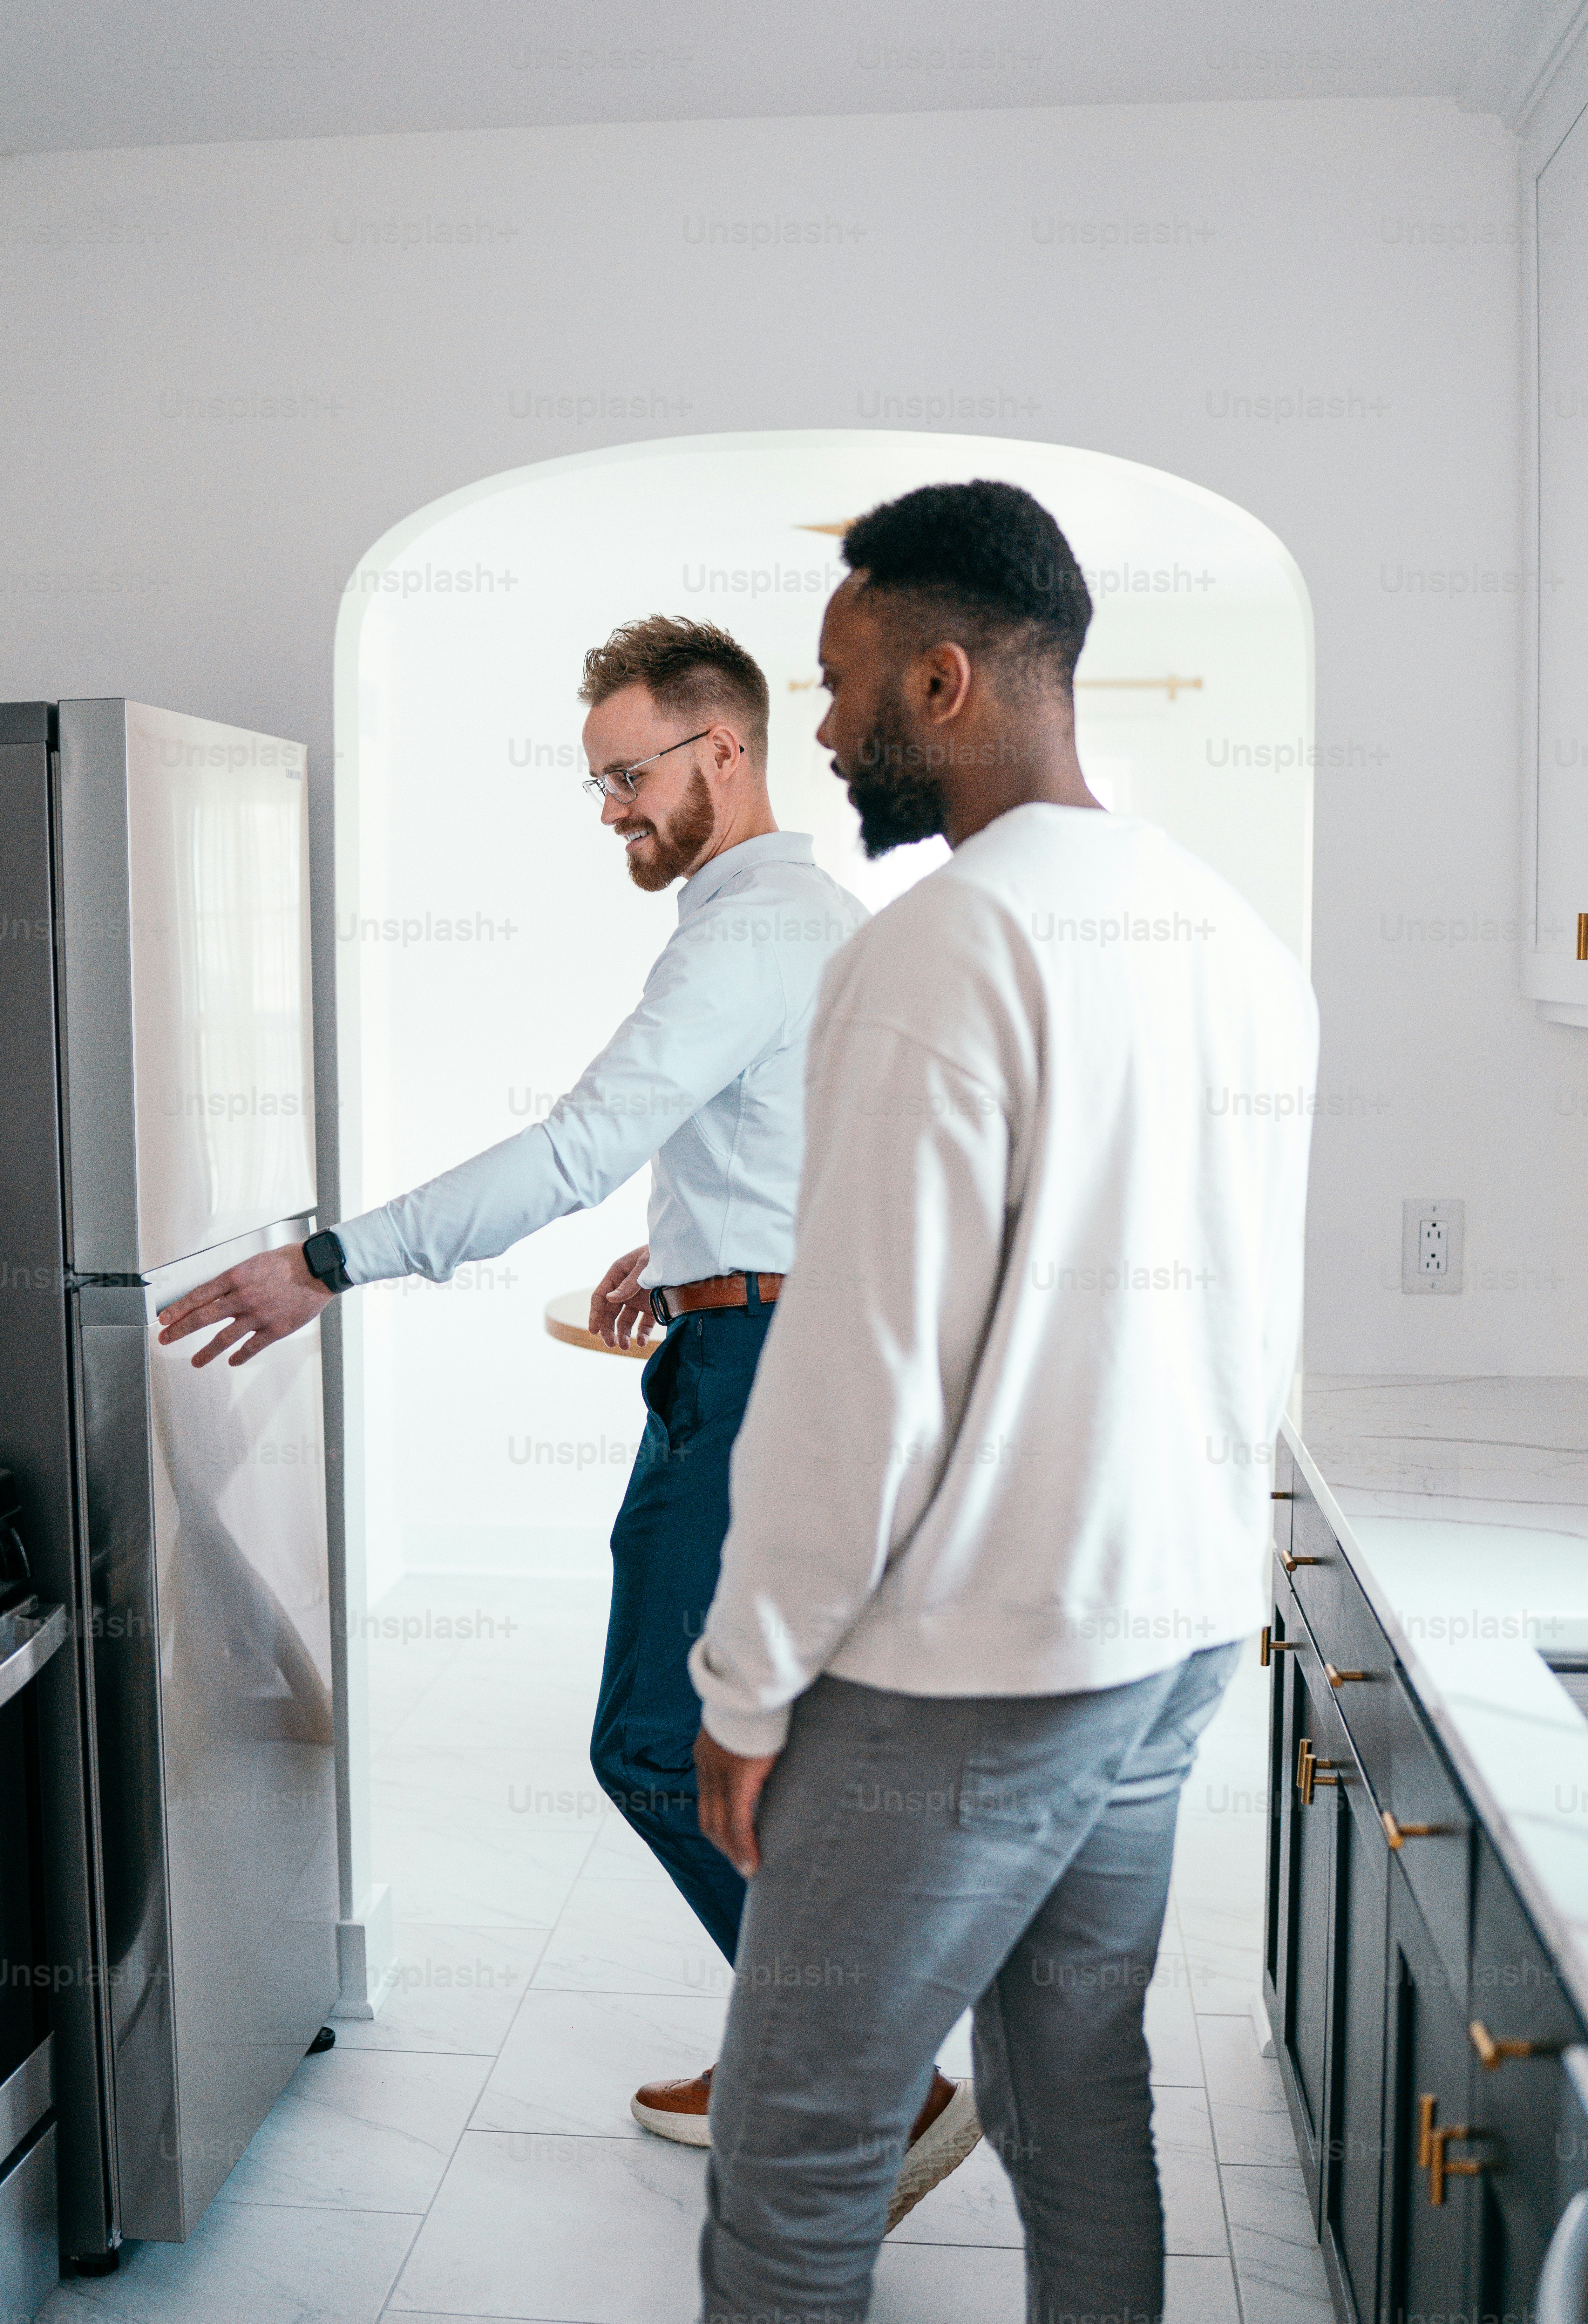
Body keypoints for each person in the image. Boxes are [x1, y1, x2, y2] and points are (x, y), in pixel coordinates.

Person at [156, 617, 974, 2216]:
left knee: (655, 1741)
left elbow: (576, 1141)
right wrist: (684, 1254)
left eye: (627, 774)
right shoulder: (798, 917)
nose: (610, 809)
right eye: (600, 780)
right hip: (768, 1348)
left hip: (764, 1389)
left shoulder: (746, 934)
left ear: (721, 752)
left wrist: (328, 1261)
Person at [686, 481, 1318, 2324]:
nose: (813, 727)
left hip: (963, 1675)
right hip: (1170, 1626)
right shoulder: (1231, 939)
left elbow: (856, 1382)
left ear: (944, 677)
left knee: (795, 2149)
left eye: (839, 681)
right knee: (1072, 2098)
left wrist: (744, 1682)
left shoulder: (937, 950)